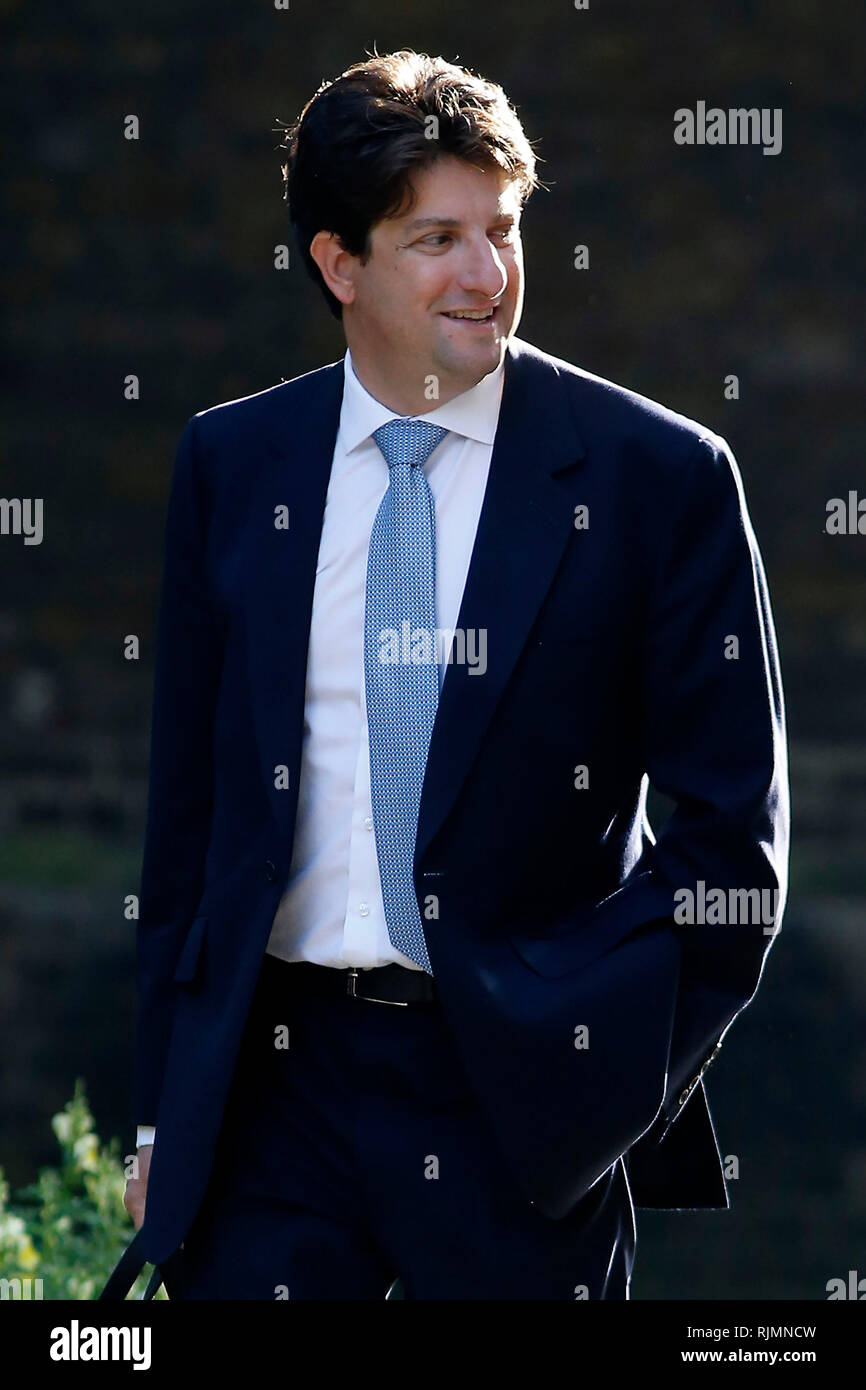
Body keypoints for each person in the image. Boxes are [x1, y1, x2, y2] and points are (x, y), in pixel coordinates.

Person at [123, 49, 789, 1300]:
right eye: (436, 237)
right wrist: (168, 1114)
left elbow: (730, 862)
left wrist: (597, 1084)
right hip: (273, 1099)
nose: (488, 276)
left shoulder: (659, 481)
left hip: (517, 1112)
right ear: (337, 263)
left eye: (502, 227)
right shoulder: (233, 464)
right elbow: (190, 832)